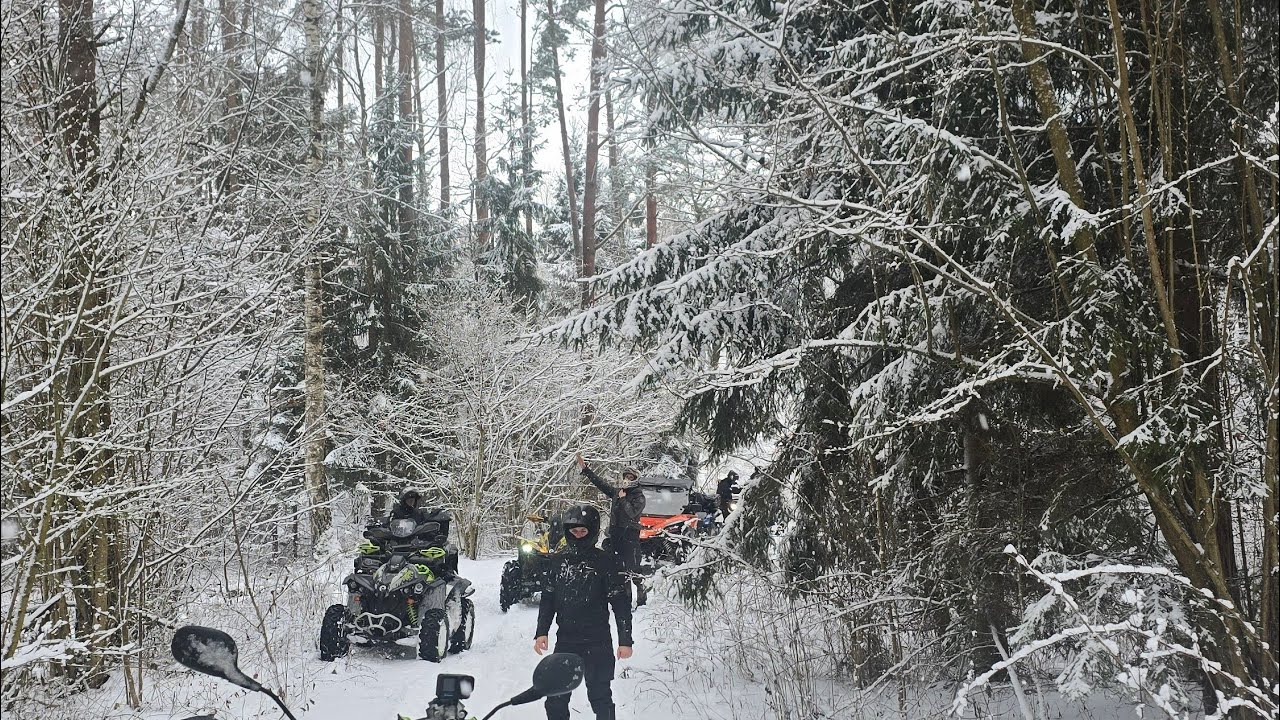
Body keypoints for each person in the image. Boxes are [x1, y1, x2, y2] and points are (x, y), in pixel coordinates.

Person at [534, 505, 633, 720]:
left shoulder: (605, 562)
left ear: (592, 531)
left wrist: (625, 640)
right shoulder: (558, 561)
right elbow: (548, 598)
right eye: (574, 531)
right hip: (566, 641)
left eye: (583, 531)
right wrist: (541, 631)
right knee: (555, 697)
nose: (578, 535)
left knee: (600, 697)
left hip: (597, 642)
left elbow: (620, 603)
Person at [576, 453, 647, 606]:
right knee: (618, 568)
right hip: (616, 533)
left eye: (630, 477)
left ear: (636, 479)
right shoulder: (618, 492)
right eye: (626, 476)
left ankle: (641, 598)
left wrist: (622, 499)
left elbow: (631, 513)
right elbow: (601, 484)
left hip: (630, 535)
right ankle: (625, 600)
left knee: (633, 568)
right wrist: (586, 470)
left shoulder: (639, 497)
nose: (627, 479)